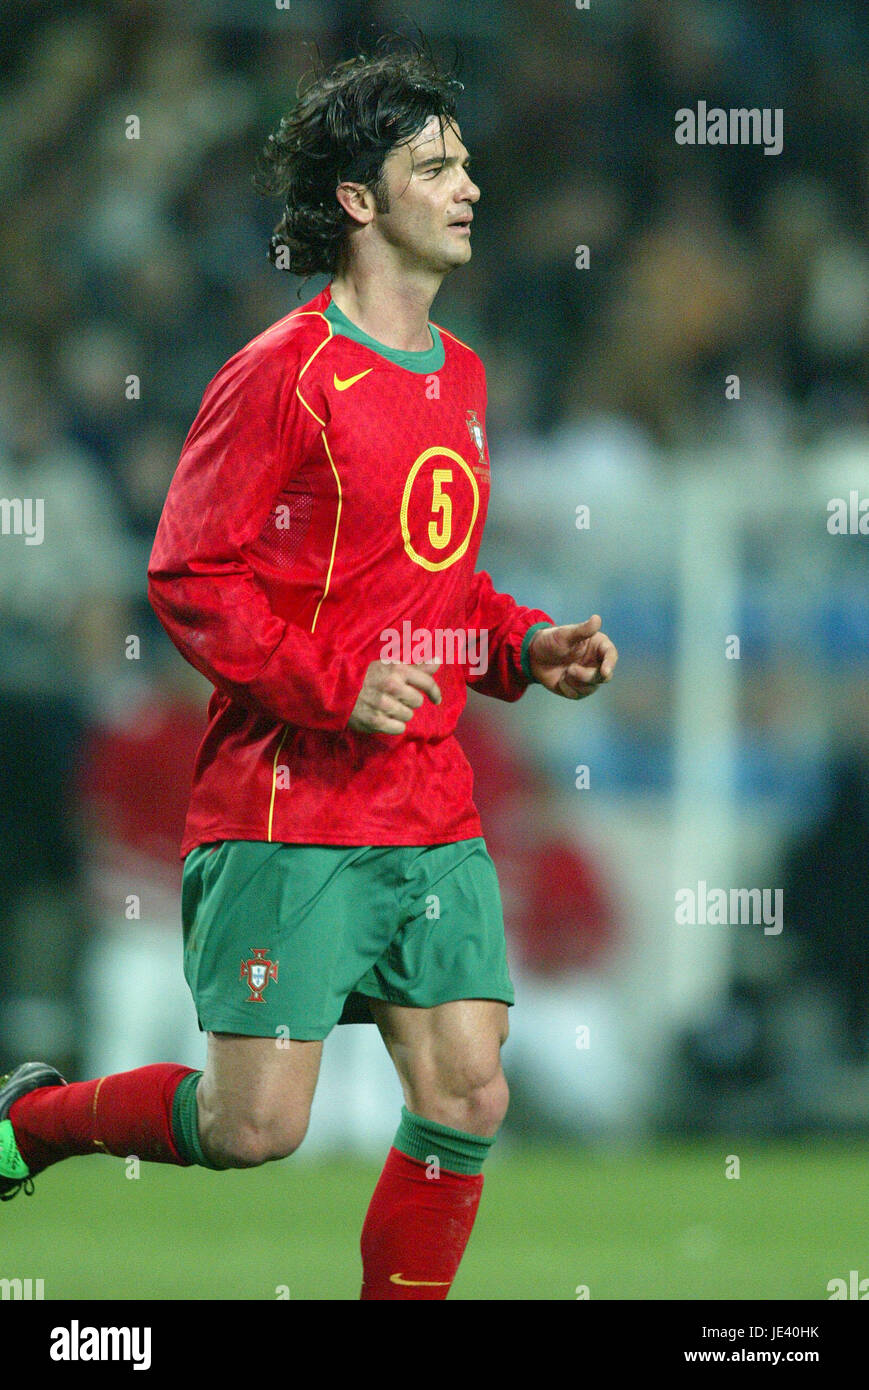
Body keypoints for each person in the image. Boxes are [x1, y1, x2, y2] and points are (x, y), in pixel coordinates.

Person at [0, 39, 617, 1300]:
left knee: (467, 1088)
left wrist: (517, 645)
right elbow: (187, 574)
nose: (468, 189)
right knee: (254, 1127)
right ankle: (31, 1120)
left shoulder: (463, 379)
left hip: (427, 799)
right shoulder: (281, 375)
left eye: (466, 165)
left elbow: (435, 587)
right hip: (291, 800)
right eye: (432, 166)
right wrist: (333, 682)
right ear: (357, 200)